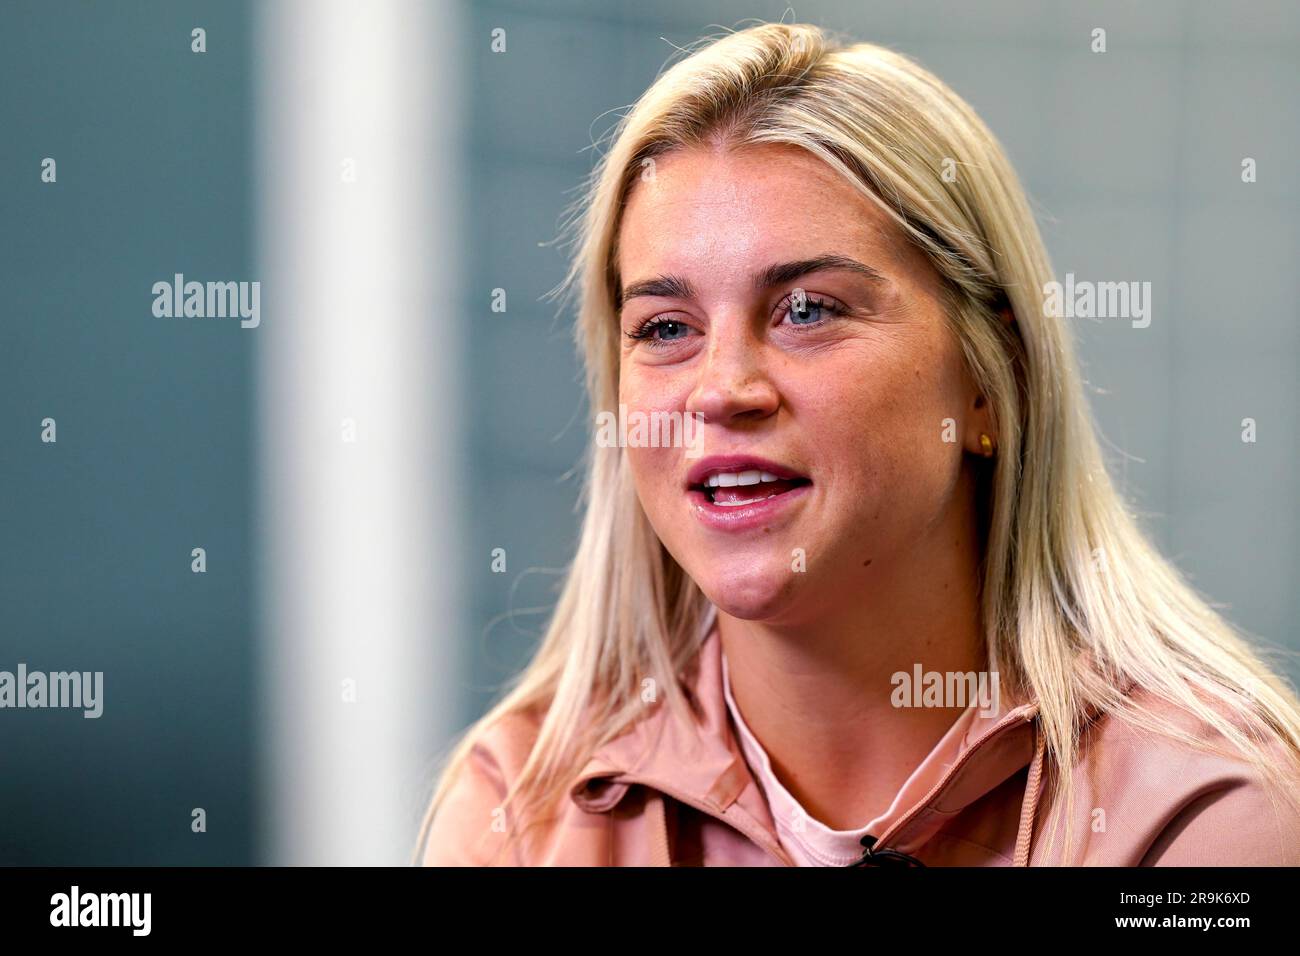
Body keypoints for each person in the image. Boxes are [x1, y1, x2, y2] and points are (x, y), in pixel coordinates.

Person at [416, 21, 1300, 866]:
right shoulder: (519, 819)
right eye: (665, 326)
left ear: (996, 379)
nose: (722, 390)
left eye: (807, 310)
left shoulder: (1208, 821)